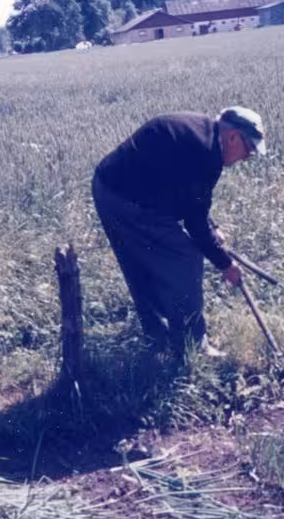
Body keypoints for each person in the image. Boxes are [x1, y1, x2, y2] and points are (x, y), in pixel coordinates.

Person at [91, 106, 266, 358]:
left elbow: (189, 197)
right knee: (185, 257)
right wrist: (225, 265)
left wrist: (212, 229)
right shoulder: (205, 152)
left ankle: (159, 342)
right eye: (248, 151)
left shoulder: (203, 135)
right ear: (233, 138)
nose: (246, 159)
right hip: (123, 198)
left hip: (112, 186)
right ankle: (192, 346)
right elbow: (195, 225)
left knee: (143, 265)